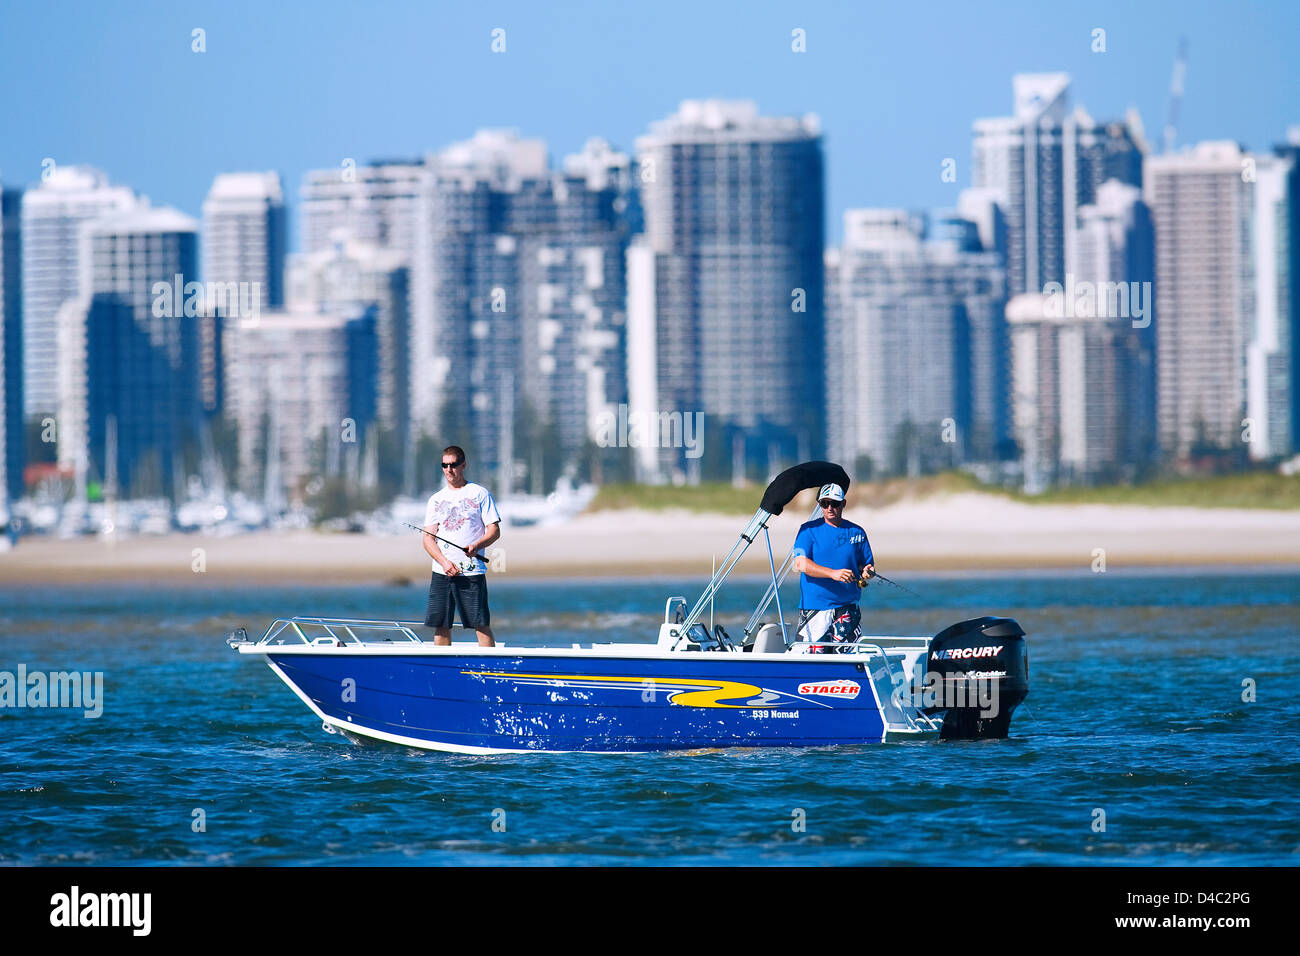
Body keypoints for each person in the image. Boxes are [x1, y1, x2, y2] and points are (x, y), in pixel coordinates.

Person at [423, 445, 501, 647]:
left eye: (453, 465)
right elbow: (428, 539)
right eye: (445, 465)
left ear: (463, 465)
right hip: (442, 571)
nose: (449, 469)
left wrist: (478, 544)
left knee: (480, 623)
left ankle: (489, 668)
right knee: (441, 625)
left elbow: (494, 530)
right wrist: (444, 562)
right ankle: (442, 668)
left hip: (471, 572)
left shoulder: (480, 493)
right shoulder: (435, 500)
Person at [790, 482, 875, 653]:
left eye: (835, 504)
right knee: (811, 659)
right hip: (815, 608)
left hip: (847, 609)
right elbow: (800, 564)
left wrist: (867, 572)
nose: (829, 508)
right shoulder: (807, 530)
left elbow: (868, 565)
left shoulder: (857, 532)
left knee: (848, 659)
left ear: (843, 504)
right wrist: (833, 574)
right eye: (824, 503)